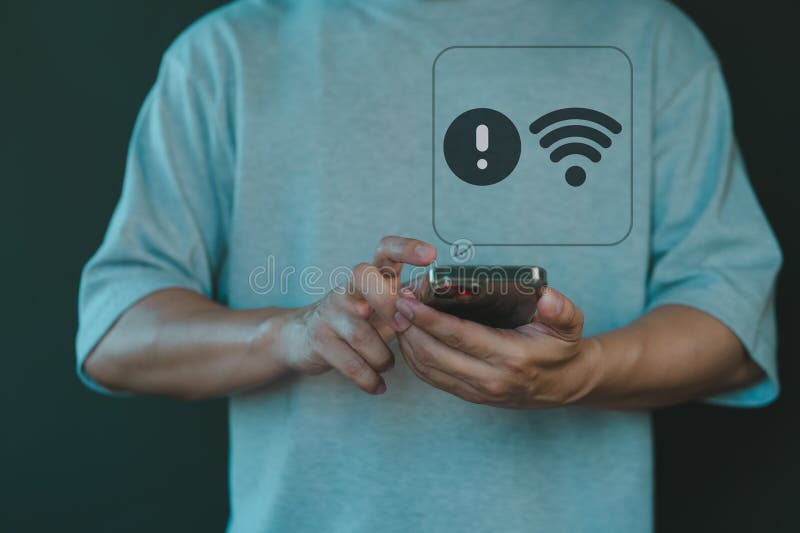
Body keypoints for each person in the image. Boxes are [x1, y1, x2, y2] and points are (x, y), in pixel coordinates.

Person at [76, 1, 782, 531]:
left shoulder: (652, 41)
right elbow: (115, 332)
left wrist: (580, 373)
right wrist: (294, 335)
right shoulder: (226, 55)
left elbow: (736, 330)